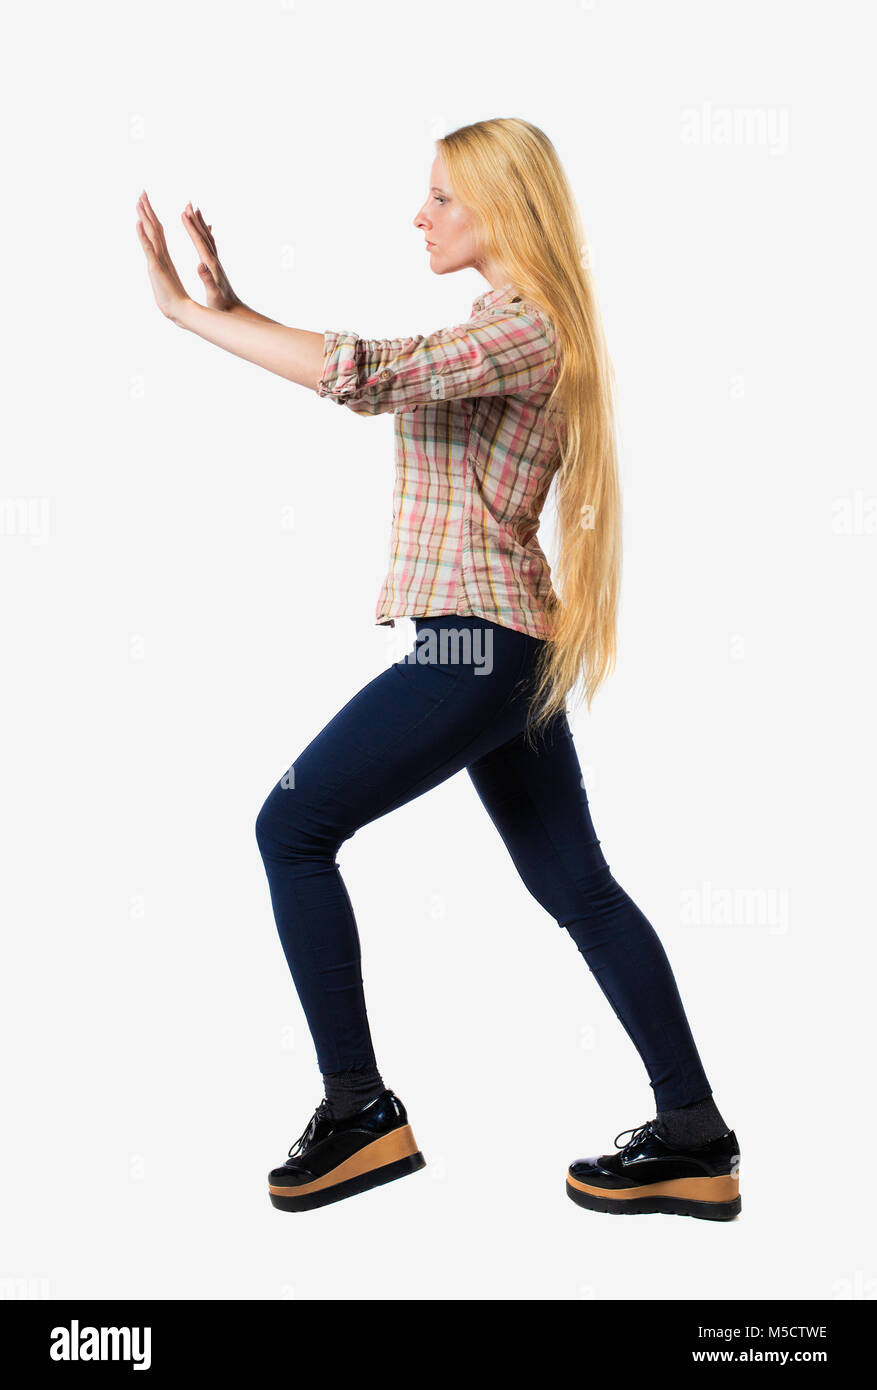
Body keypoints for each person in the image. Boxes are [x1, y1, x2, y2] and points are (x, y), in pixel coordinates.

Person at [135, 117, 740, 1220]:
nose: (419, 216)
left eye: (440, 198)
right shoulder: (507, 327)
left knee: (291, 828)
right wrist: (240, 310)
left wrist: (190, 318)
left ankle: (359, 1112)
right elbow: (381, 372)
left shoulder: (525, 330)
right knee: (581, 892)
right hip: (505, 648)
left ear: (501, 209)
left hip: (474, 645)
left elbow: (368, 375)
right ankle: (694, 1136)